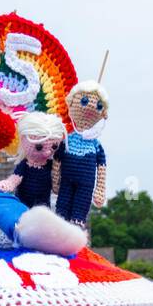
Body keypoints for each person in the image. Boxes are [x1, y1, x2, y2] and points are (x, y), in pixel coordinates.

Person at [52, 81, 108, 228]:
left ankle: (75, 231)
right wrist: (55, 181)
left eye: (98, 106)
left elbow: (102, 168)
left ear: (103, 113)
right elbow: (57, 160)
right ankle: (59, 230)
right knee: (62, 209)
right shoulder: (67, 140)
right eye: (84, 101)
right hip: (66, 182)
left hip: (86, 185)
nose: (90, 107)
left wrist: (100, 190)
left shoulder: (96, 145)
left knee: (79, 213)